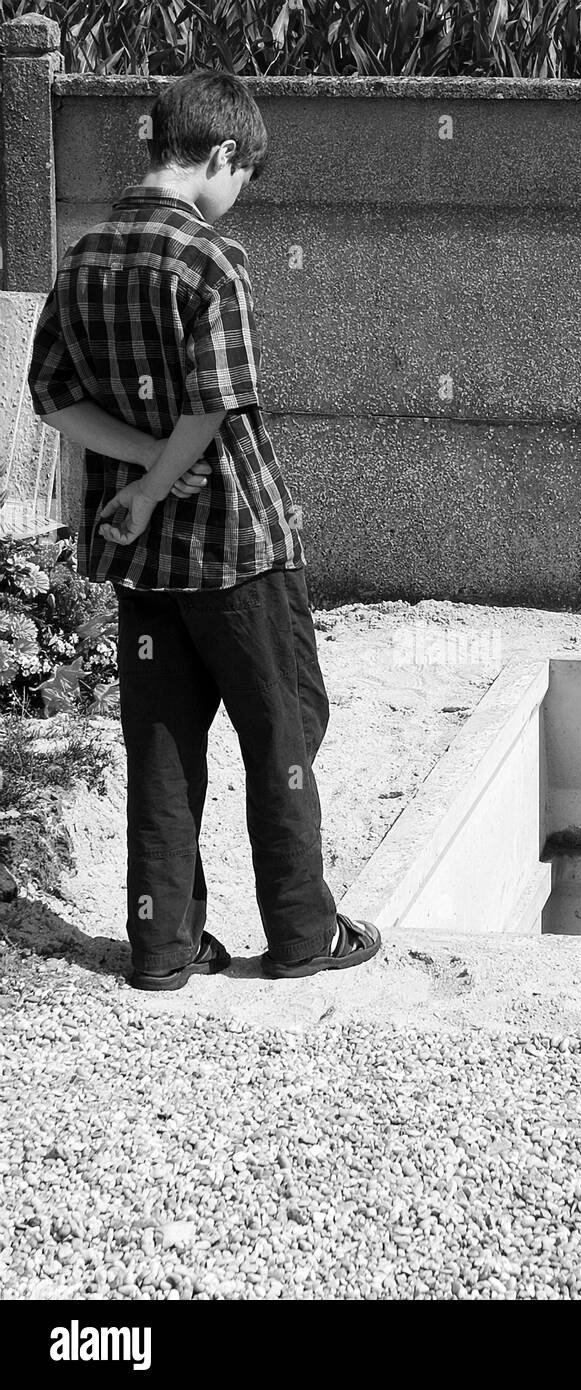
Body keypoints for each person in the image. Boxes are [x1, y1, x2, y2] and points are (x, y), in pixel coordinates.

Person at [27, 70, 380, 992]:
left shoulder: (86, 254)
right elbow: (218, 409)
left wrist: (139, 478)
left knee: (162, 746)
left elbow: (53, 397)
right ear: (222, 153)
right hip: (234, 541)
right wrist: (158, 483)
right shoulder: (209, 260)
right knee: (286, 730)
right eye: (245, 177)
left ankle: (163, 946)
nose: (240, 196)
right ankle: (304, 932)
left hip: (141, 559)